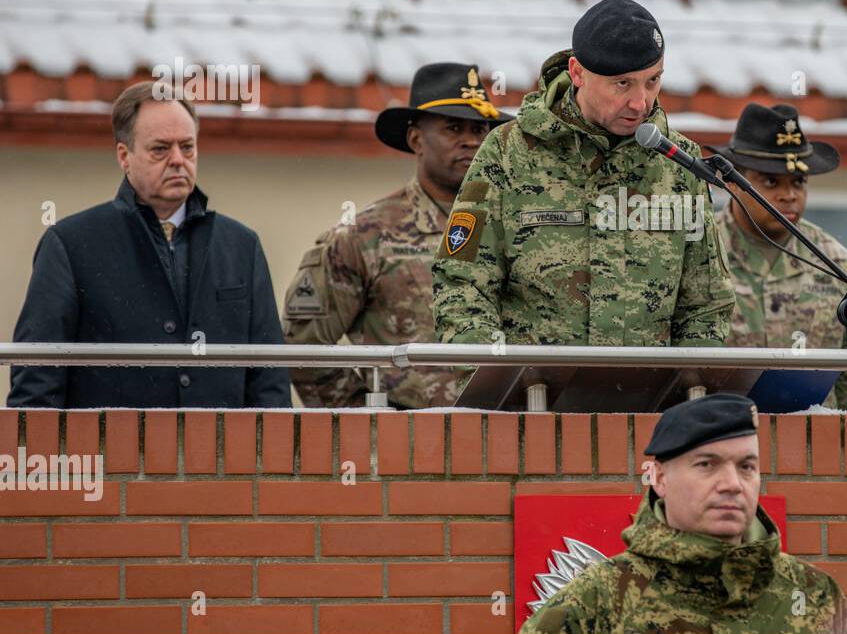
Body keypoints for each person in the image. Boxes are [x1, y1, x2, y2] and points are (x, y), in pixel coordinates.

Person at [431, 0, 734, 349]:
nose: (641, 102)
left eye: (653, 81)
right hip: (532, 396)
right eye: (623, 84)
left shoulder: (679, 163)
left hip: (649, 401)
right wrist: (492, 384)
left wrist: (688, 394)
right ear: (577, 73)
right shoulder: (508, 153)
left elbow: (706, 303)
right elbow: (461, 283)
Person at [7, 81, 288, 408]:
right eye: (160, 149)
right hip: (108, 455)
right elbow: (36, 384)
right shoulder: (70, 244)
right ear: (124, 156)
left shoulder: (241, 246)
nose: (178, 160)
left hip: (217, 456)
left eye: (187, 147)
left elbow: (270, 384)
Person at [517, 393, 847, 634]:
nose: (732, 484)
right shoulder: (594, 603)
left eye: (746, 466)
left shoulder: (814, 596)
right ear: (661, 478)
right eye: (707, 465)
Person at [281, 63, 510, 408]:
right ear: (416, 139)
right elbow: (304, 345)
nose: (472, 141)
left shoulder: (516, 230)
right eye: (453, 127)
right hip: (407, 448)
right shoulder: (364, 236)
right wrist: (368, 420)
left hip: (508, 438)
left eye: (481, 129)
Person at [713, 102, 847, 409]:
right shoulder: (700, 251)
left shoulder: (839, 266)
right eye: (770, 181)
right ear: (733, 183)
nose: (789, 195)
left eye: (798, 182)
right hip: (721, 444)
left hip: (814, 445)